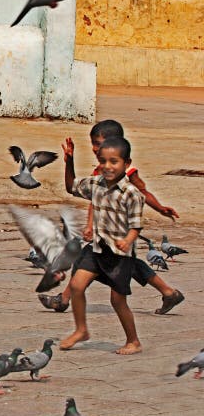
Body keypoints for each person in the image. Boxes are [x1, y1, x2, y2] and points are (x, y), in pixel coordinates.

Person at [39, 120, 183, 315]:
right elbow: (94, 201)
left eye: (98, 143)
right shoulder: (100, 173)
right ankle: (168, 292)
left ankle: (64, 299)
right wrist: (90, 225)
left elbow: (143, 192)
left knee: (93, 261)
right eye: (93, 143)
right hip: (104, 234)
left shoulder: (127, 173)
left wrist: (160, 208)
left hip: (120, 233)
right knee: (126, 264)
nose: (93, 148)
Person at [59, 136, 143, 354]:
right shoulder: (95, 184)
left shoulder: (132, 194)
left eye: (113, 161)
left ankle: (133, 340)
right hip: (97, 249)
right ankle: (81, 329)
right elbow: (71, 187)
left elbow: (136, 226)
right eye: (102, 161)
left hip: (120, 255)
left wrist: (127, 241)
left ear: (127, 163)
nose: (107, 166)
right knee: (77, 286)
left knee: (117, 300)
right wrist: (69, 161)